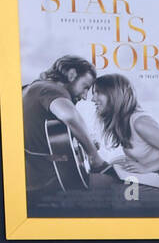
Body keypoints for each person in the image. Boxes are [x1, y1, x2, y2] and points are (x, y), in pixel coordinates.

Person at [91, 73, 159, 197]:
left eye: (98, 92)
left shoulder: (140, 123)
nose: (93, 98)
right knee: (113, 165)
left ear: (114, 95)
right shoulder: (123, 121)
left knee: (125, 193)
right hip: (157, 173)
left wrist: (145, 168)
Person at [22, 55, 107, 195]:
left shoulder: (29, 89)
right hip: (49, 184)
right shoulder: (52, 89)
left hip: (31, 184)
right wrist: (94, 157)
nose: (85, 96)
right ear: (72, 74)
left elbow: (52, 139)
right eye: (85, 87)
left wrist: (83, 143)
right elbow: (69, 116)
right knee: (117, 182)